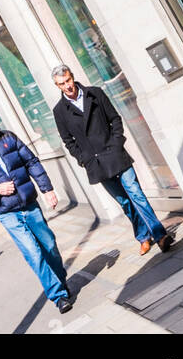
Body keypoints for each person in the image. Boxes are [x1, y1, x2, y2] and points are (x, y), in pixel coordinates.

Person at [0, 107, 72, 314]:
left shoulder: (7, 137)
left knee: (49, 246)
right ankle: (58, 295)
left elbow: (31, 162)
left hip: (29, 203)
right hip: (6, 212)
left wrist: (47, 189)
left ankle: (61, 281)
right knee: (33, 253)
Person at [52, 65, 174, 256]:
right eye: (61, 84)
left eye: (67, 80)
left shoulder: (95, 93)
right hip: (96, 163)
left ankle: (159, 235)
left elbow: (115, 119)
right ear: (57, 86)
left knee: (136, 193)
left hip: (115, 153)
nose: (67, 86)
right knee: (124, 202)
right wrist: (83, 159)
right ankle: (143, 236)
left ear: (72, 77)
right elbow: (68, 141)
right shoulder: (59, 111)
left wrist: (117, 143)